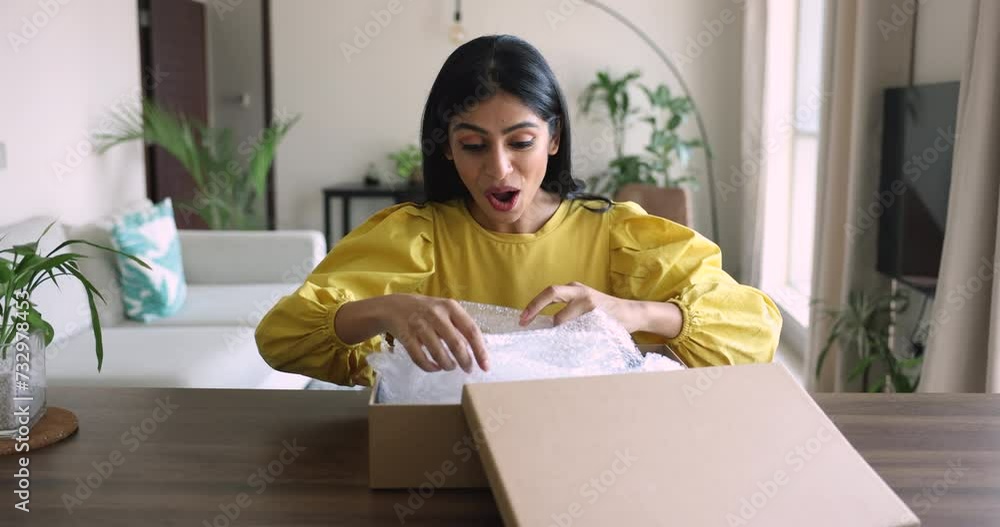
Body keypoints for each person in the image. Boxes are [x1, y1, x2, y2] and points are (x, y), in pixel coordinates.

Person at [255, 34, 781, 387]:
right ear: (446, 147)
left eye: (521, 142)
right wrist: (385, 309)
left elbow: (755, 331)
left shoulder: (620, 234)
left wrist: (635, 312)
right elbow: (282, 338)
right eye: (474, 145)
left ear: (553, 139)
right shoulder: (413, 237)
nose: (499, 170)